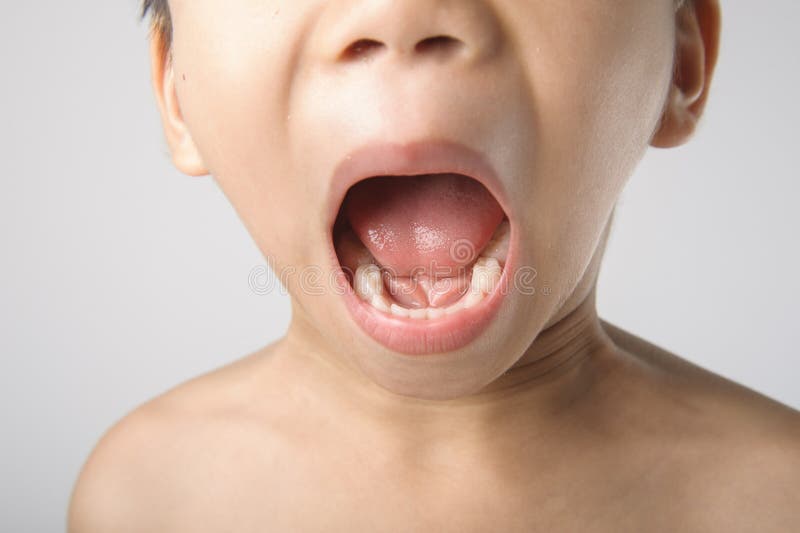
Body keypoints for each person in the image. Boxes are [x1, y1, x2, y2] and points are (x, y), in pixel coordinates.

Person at [68, 0, 800, 531]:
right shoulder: (143, 496)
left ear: (683, 55)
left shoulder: (777, 500)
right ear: (175, 94)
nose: (400, 14)